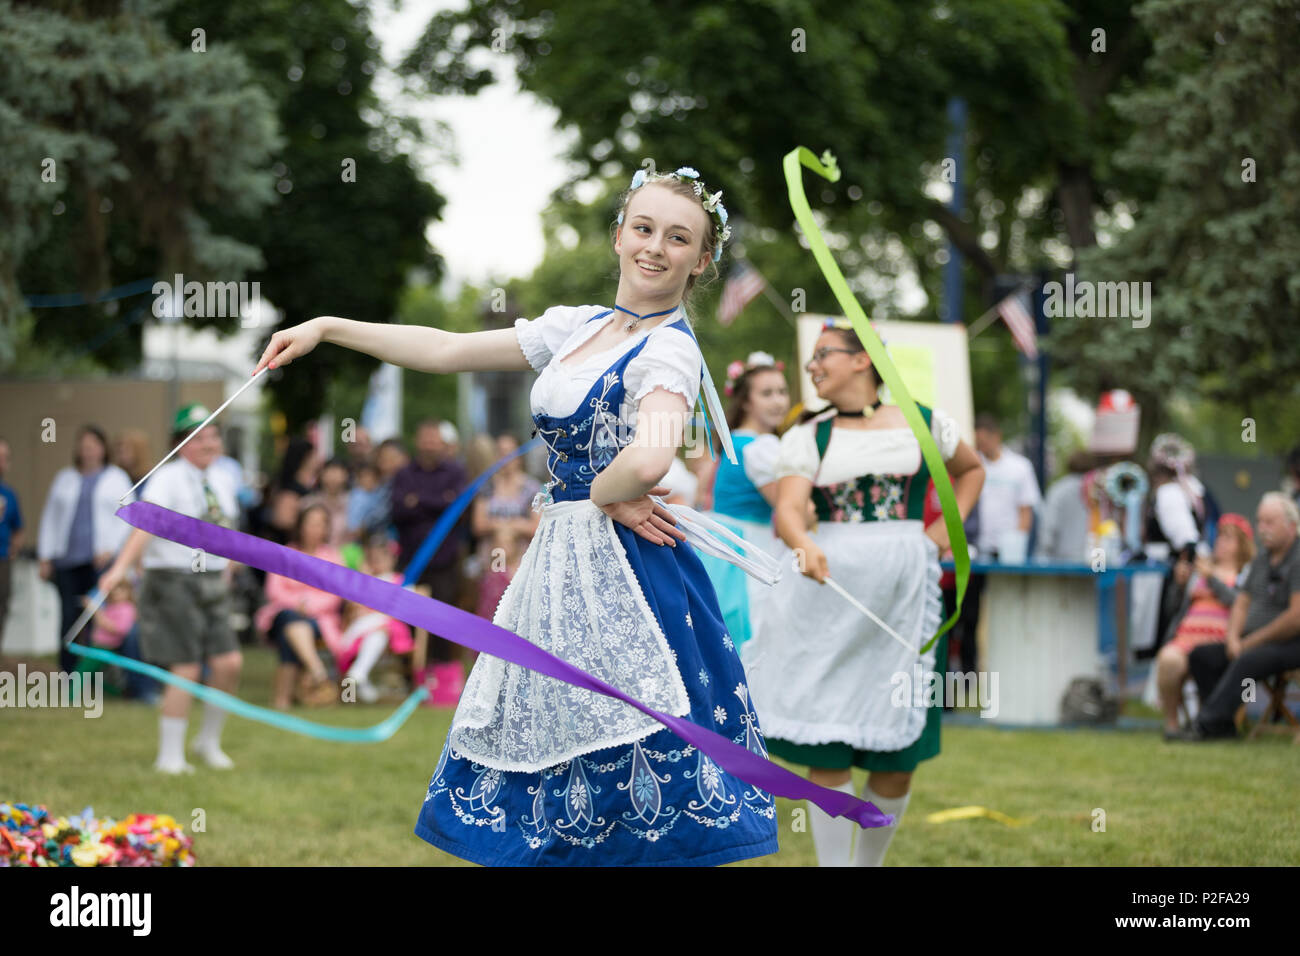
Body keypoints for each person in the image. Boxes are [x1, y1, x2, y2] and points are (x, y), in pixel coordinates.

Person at [252, 163, 786, 866]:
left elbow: (653, 454)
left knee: (632, 762)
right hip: (560, 568)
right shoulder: (577, 326)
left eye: (679, 237)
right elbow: (444, 350)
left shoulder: (670, 348)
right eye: (645, 227)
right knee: (558, 754)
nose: (656, 246)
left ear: (702, 259)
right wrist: (327, 327)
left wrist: (599, 493)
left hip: (631, 575)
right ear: (620, 233)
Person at [739, 319, 984, 867]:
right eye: (812, 357)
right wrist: (801, 541)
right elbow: (787, 509)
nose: (812, 366)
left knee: (898, 755)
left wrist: (943, 532)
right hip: (829, 593)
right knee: (829, 736)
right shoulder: (810, 433)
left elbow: (970, 471)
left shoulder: (923, 422)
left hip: (905, 591)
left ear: (862, 359)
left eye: (825, 354)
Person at [97, 405, 242, 773]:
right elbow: (146, 524)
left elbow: (226, 530)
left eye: (213, 435)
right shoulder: (168, 477)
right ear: (182, 444)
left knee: (229, 663)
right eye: (199, 437)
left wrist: (229, 564)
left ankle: (208, 742)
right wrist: (120, 568)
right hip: (173, 579)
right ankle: (169, 756)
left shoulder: (223, 479)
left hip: (212, 580)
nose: (208, 443)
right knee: (186, 666)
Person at [1177, 493, 1300, 740]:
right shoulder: (1261, 560)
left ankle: (1207, 724)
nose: (1263, 529)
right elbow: (1241, 604)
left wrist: (1250, 643)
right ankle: (1225, 725)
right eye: (1260, 522)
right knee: (1202, 656)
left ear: (1291, 526)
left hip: (1291, 643)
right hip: (1252, 641)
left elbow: (1296, 617)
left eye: (1270, 522)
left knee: (1248, 660)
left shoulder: (1297, 558)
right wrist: (1233, 638)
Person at [696, 352, 790, 650]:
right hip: (748, 546)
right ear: (747, 401)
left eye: (782, 392)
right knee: (752, 633)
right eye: (767, 393)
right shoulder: (762, 447)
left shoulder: (734, 440)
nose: (778, 401)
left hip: (720, 542)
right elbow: (789, 507)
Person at [38, 425, 132, 672]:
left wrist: (111, 549)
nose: (87, 450)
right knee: (69, 616)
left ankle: (93, 675)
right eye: (83, 446)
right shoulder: (64, 477)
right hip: (67, 560)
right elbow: (50, 518)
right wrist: (45, 556)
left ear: (103, 449)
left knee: (98, 618)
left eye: (93, 445)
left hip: (100, 562)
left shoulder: (117, 478)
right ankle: (68, 672)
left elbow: (129, 517)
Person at [390, 420, 469, 706]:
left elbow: (458, 508)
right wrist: (437, 502)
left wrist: (418, 502)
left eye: (434, 439)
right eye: (425, 439)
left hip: (445, 560)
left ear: (442, 442)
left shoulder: (456, 472)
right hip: (411, 559)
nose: (430, 444)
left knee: (442, 618)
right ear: (417, 441)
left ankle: (442, 682)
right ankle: (412, 678)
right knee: (407, 619)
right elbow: (398, 510)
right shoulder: (403, 473)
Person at [1155, 514, 1254, 737]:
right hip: (1186, 638)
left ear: (1242, 545)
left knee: (1204, 658)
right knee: (1168, 659)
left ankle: (1208, 723)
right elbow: (1173, 609)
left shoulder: (1246, 573)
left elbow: (1239, 603)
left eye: (1229, 538)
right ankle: (1173, 725)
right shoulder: (1200, 571)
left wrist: (1213, 579)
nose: (1221, 542)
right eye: (1220, 536)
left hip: (1223, 640)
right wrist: (1179, 586)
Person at [253, 503, 344, 709]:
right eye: (311, 523)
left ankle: (282, 698)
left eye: (321, 524)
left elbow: (336, 594)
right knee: (289, 619)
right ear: (301, 526)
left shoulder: (333, 557)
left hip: (319, 619)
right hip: (284, 611)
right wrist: (298, 603)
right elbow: (274, 590)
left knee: (290, 629)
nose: (315, 529)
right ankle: (318, 672)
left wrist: (309, 606)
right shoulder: (285, 553)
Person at [469, 434, 540, 624]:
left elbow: (537, 526)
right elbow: (478, 524)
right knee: (492, 601)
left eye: (510, 453)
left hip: (520, 560)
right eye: (501, 453)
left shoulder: (531, 488)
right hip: (492, 558)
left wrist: (512, 525)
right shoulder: (486, 486)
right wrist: (507, 525)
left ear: (519, 457)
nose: (506, 458)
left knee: (518, 606)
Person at [336, 535, 414, 703]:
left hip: (389, 626)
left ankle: (357, 677)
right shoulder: (367, 582)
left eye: (382, 558)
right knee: (373, 637)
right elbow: (354, 603)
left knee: (377, 636)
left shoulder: (400, 580)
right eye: (374, 559)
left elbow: (408, 604)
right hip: (365, 626)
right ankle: (355, 685)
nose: (378, 562)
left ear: (392, 558)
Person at [1035, 451, 1094, 562]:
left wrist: (1044, 555)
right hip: (1095, 561)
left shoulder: (1057, 490)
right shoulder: (1098, 491)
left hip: (1062, 562)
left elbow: (1048, 527)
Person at [0, 437, 25, 654]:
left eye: (4, 458)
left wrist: (13, 548)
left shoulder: (9, 494)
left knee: (2, 607)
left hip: (2, 560)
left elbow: (19, 527)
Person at [301, 457, 352, 549]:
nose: (333, 476)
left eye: (337, 471)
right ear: (321, 474)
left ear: (346, 475)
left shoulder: (352, 504)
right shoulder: (308, 503)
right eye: (329, 471)